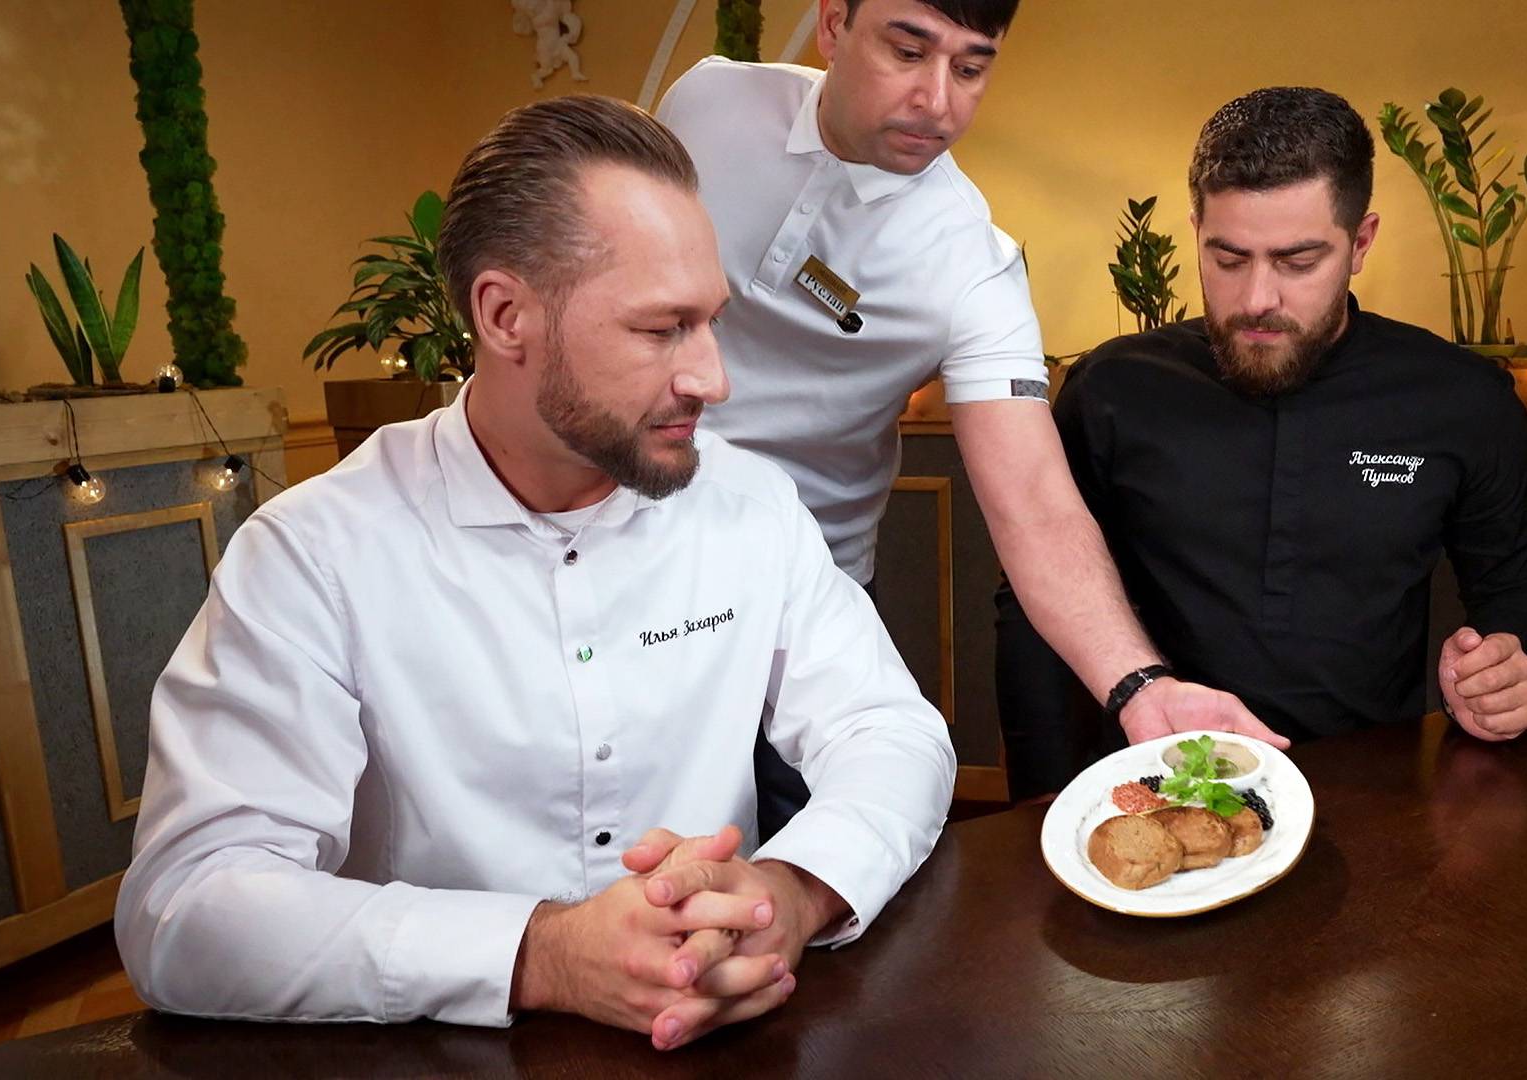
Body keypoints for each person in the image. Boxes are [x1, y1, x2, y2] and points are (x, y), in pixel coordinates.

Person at [114, 95, 955, 1053]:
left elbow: (891, 730)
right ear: (506, 315)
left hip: (729, 1039)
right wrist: (541, 952)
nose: (714, 379)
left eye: (710, 322)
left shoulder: (751, 506)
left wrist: (788, 895)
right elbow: (186, 907)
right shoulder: (314, 553)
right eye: (662, 329)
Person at [655, 0, 1287, 831]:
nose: (938, 101)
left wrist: (1140, 685)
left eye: (970, 67)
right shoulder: (707, 104)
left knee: (798, 851)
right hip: (618, 547)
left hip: (803, 595)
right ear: (834, 25)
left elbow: (1034, 498)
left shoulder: (972, 267)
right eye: (907, 51)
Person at [997, 87, 1527, 795]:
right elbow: (1033, 605)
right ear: (1196, 231)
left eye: (1298, 261)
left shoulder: (1461, 397)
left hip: (1374, 786)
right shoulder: (1114, 387)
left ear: (1360, 243)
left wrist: (1505, 663)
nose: (1258, 299)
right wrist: (1043, 800)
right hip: (1161, 782)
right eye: (1229, 258)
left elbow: (1519, 585)